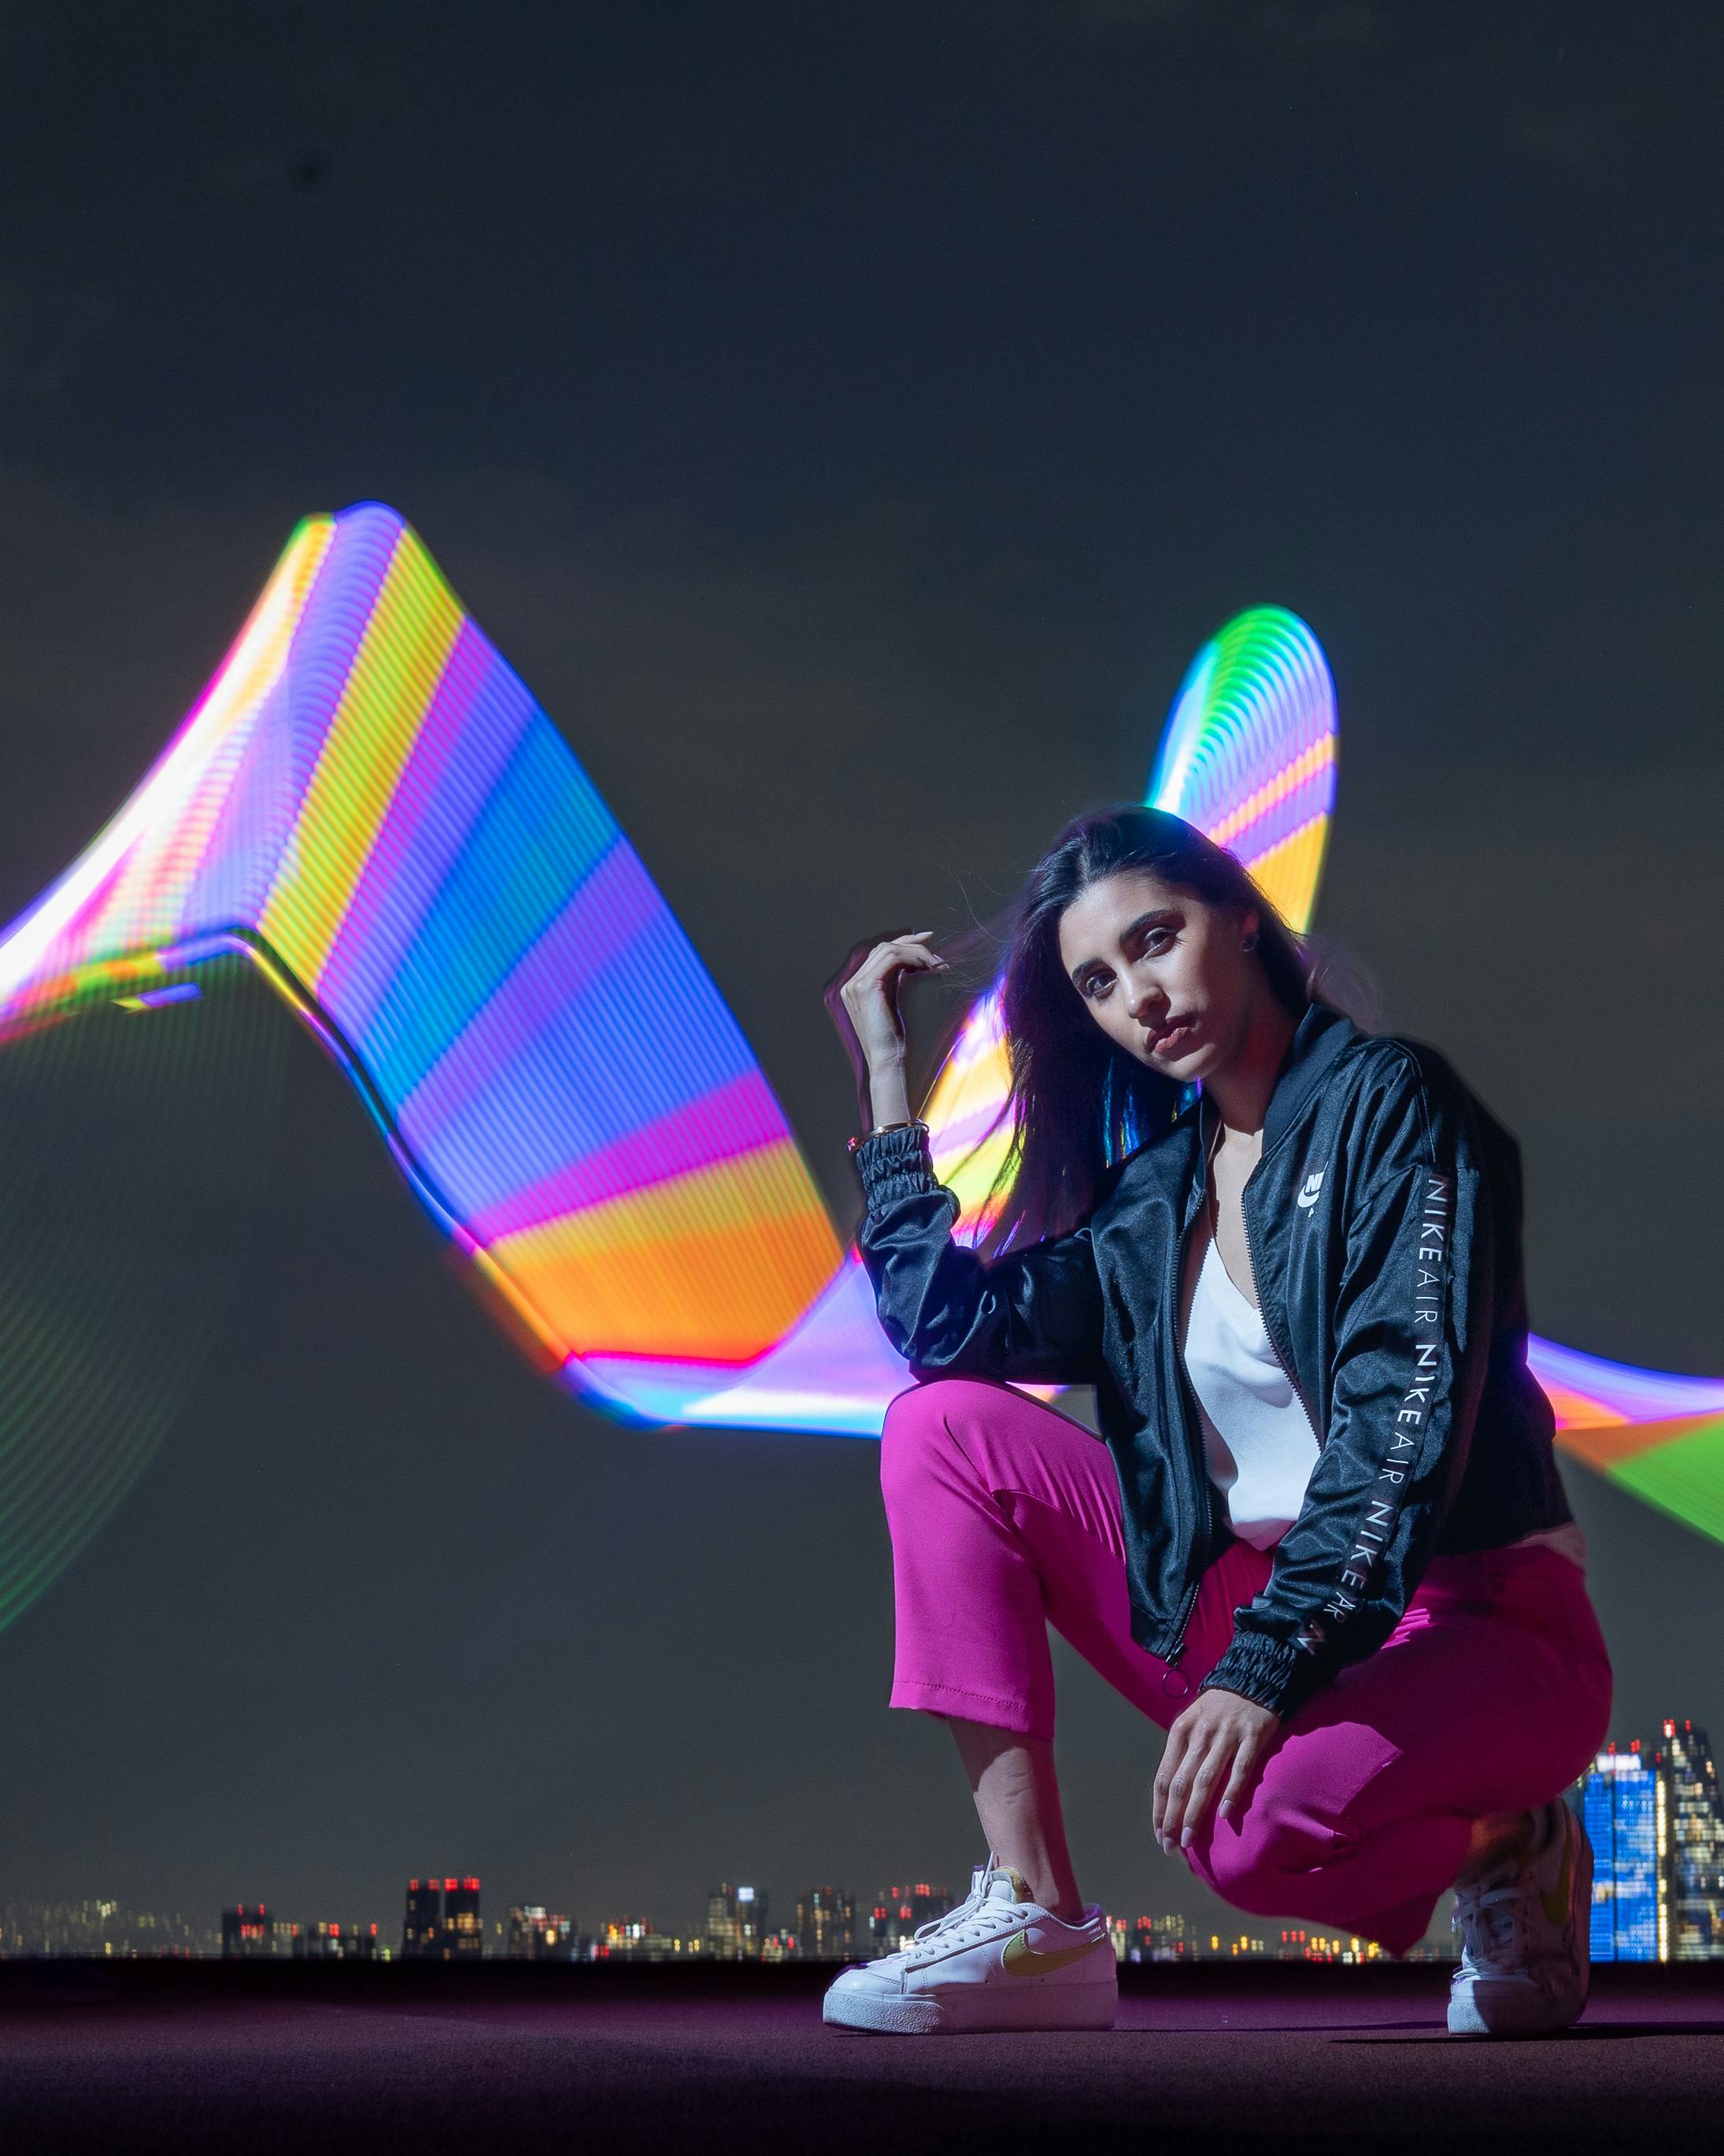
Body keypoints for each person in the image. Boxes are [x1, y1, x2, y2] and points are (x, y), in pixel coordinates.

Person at [819, 805, 1611, 2039]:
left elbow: (1402, 1418)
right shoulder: (1154, 1201)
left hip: (1478, 1621)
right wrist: (883, 1076)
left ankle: (1513, 1839)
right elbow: (946, 1330)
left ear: (1237, 915)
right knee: (941, 1429)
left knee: (1241, 1838)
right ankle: (1035, 1915)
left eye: (1154, 939)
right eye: (1096, 978)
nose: (1137, 993)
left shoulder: (1392, 1107)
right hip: (1267, 1608)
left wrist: (1258, 1668)